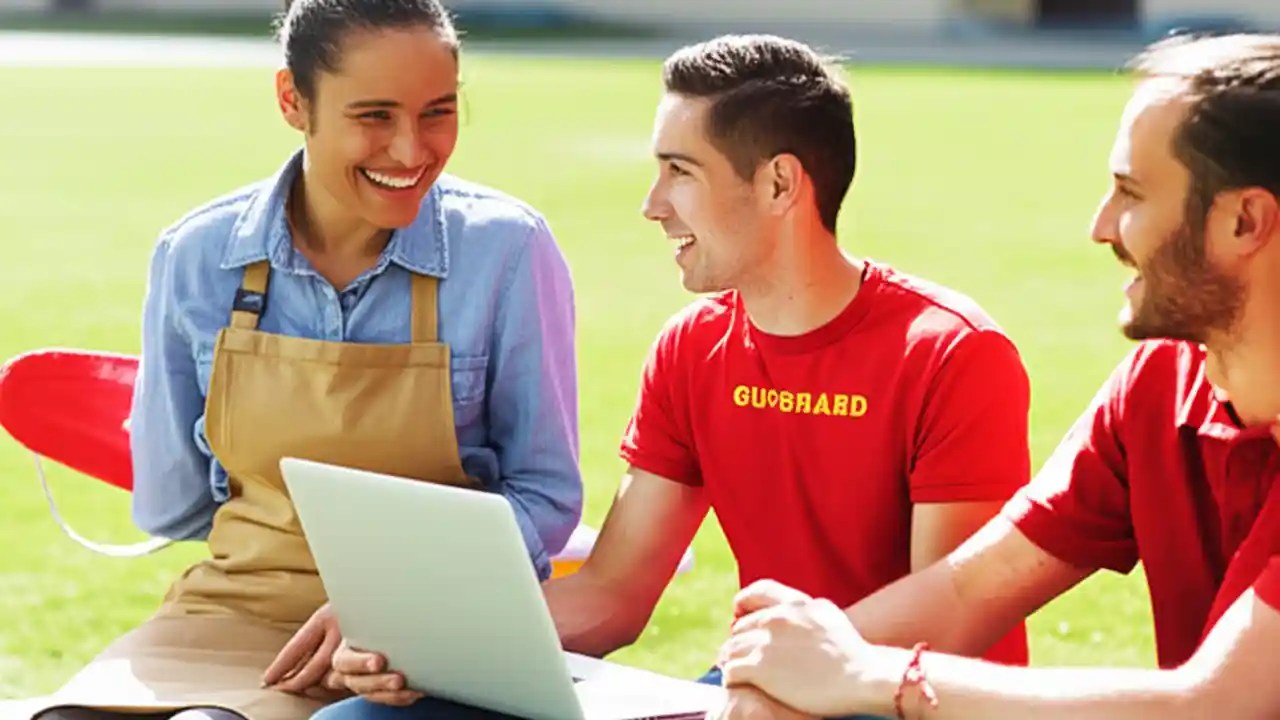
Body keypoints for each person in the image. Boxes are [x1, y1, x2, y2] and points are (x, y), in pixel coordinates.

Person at [315, 33, 1033, 720]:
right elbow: (612, 594)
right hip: (759, 684)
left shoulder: (950, 353)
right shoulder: (694, 347)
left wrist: (792, 680)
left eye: (679, 171)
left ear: (780, 182)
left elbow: (948, 630)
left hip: (897, 697)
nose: (652, 204)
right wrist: (420, 646)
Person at [30, 1, 582, 719]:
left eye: (438, 111)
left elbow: (546, 493)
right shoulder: (195, 253)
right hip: (227, 618)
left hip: (427, 630)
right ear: (294, 100)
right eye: (375, 116)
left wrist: (400, 601)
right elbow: (168, 503)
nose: (412, 150)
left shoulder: (507, 250)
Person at [714, 31, 1280, 720]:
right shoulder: (1161, 383)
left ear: (1245, 221)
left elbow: (1223, 704)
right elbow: (971, 590)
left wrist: (871, 677)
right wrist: (768, 675)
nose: (1101, 227)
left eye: (1130, 193)